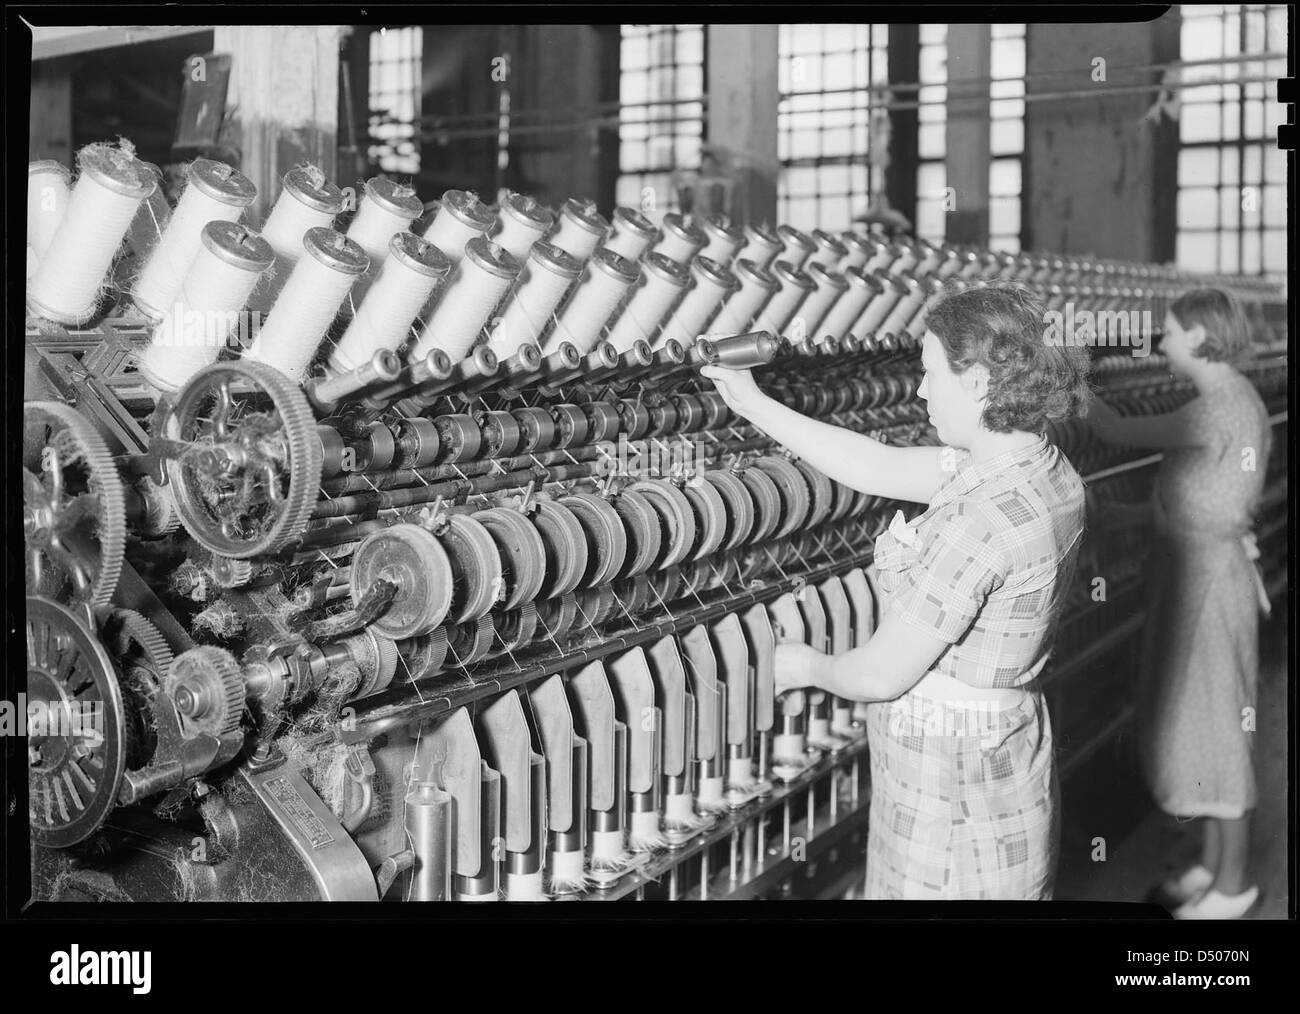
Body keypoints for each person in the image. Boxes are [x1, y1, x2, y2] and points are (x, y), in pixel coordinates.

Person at [703, 284, 1090, 899]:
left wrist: (804, 666)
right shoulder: (1033, 466)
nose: (918, 389)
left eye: (930, 372)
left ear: (979, 382)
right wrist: (751, 403)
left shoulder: (983, 519)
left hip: (951, 788)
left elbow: (880, 676)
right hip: (985, 764)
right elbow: (877, 465)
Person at [1088, 288, 1271, 919]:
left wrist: (1061, 369)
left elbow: (1110, 428)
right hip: (1198, 577)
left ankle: (1234, 886)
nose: (1160, 343)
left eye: (1167, 332)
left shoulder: (1216, 409)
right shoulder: (1226, 403)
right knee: (1204, 727)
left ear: (1197, 338)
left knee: (1219, 731)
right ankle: (1212, 867)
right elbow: (1202, 500)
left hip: (1210, 587)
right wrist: (1126, 515)